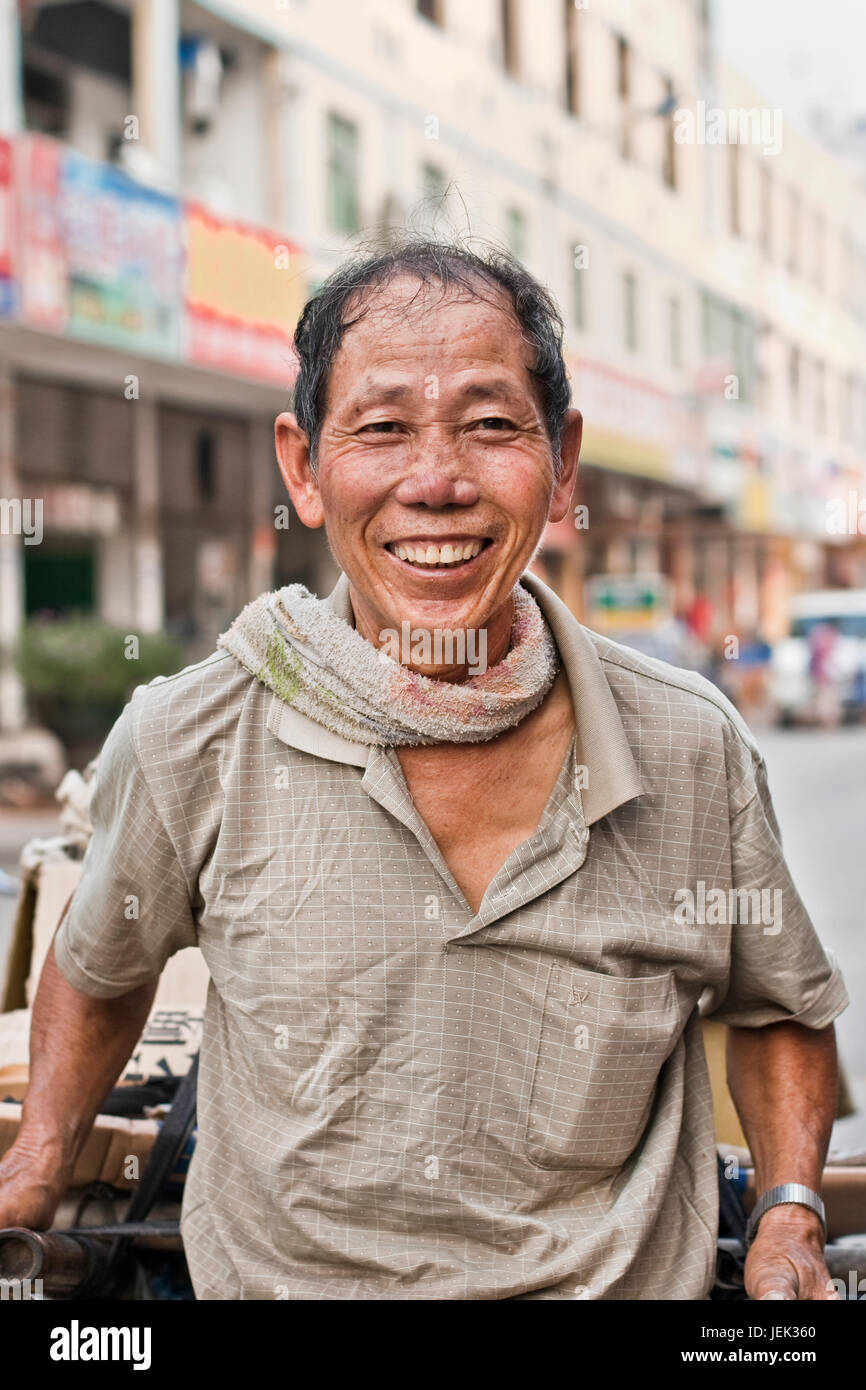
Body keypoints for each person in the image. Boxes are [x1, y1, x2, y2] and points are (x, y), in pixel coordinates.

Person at [0, 240, 847, 1300]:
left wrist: (787, 1214)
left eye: (491, 426)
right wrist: (35, 1168)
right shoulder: (193, 735)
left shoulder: (687, 745)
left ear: (561, 459)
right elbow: (101, 967)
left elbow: (774, 1008)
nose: (436, 481)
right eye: (383, 428)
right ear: (303, 468)